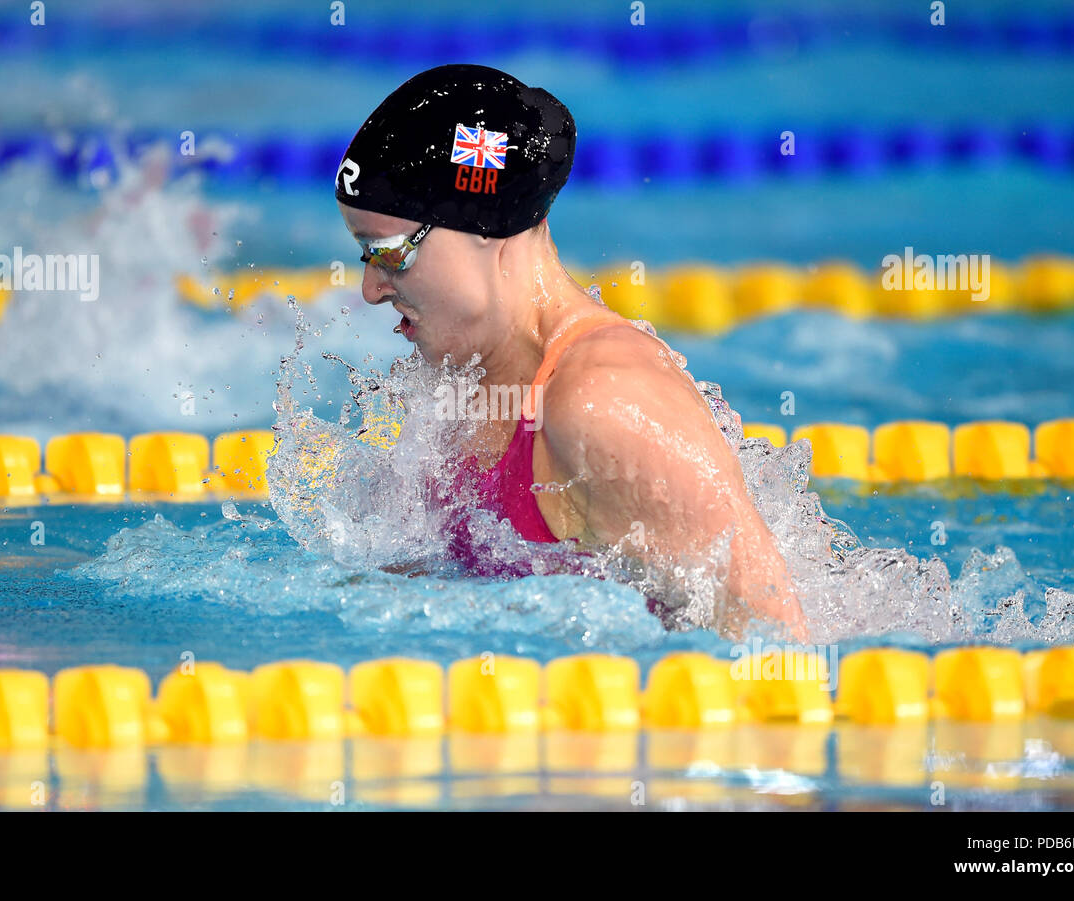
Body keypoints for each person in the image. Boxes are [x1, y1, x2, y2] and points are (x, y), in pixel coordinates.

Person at [335, 64, 805, 637]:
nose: (371, 288)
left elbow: (777, 650)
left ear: (484, 222)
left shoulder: (602, 403)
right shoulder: (457, 381)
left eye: (387, 252)